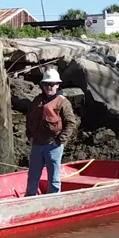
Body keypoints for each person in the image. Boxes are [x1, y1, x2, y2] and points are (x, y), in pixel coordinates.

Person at [24, 68, 77, 196]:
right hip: (37, 144)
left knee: (53, 178)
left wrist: (59, 141)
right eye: (46, 84)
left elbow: (70, 124)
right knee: (32, 176)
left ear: (57, 85)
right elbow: (29, 119)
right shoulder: (37, 101)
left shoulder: (63, 102)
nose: (49, 87)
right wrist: (29, 136)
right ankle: (29, 199)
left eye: (52, 85)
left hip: (53, 146)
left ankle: (53, 200)